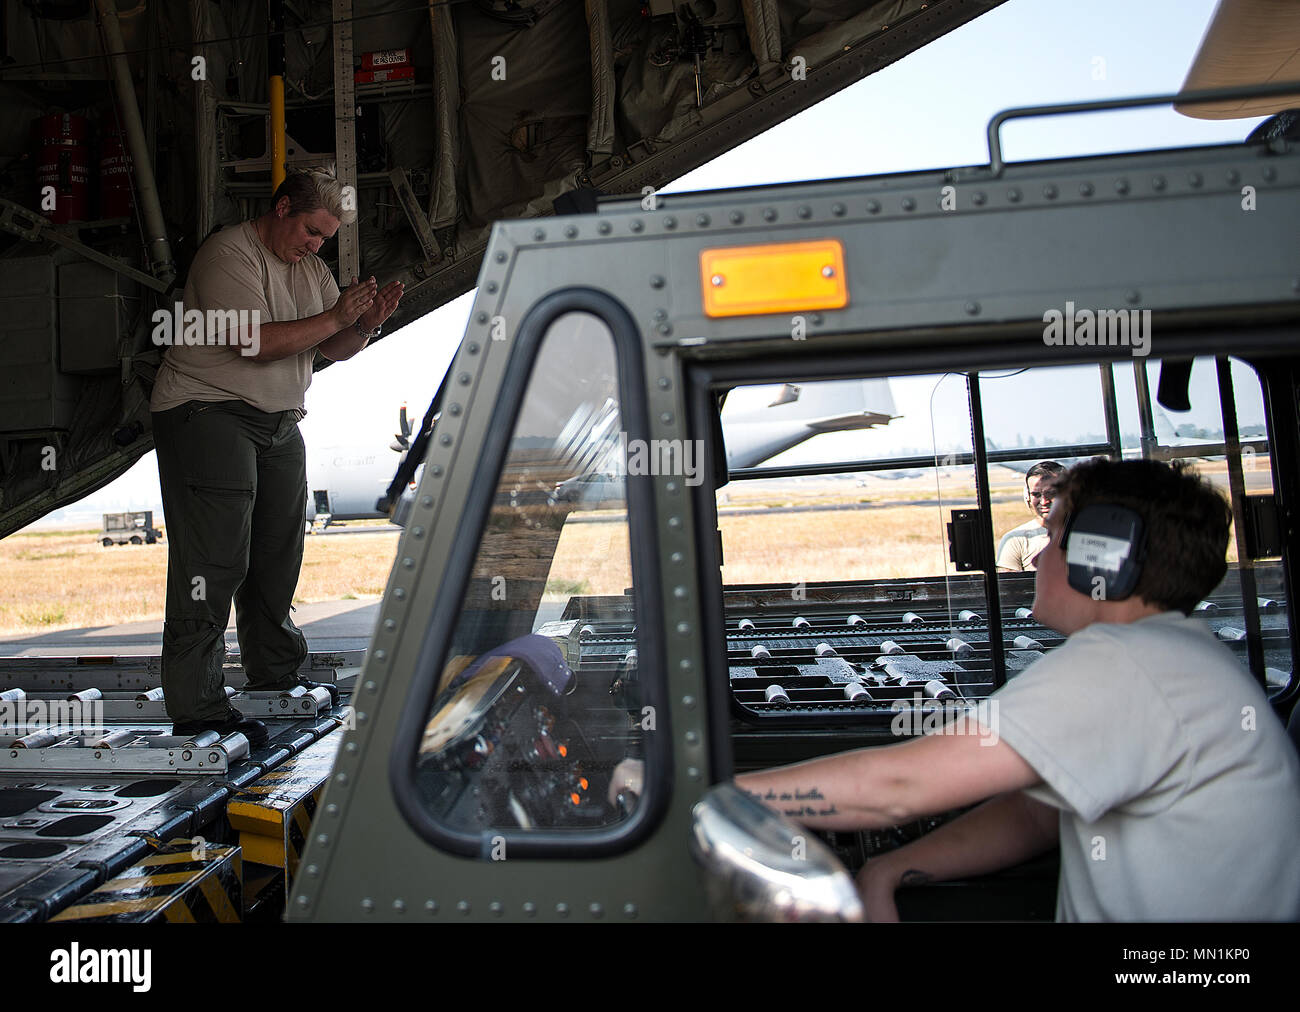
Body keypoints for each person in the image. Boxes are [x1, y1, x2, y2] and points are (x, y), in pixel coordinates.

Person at [737, 457, 1300, 921]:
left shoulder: (1128, 663)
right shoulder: (1173, 653)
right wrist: (890, 868)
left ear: (1106, 556)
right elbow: (1037, 816)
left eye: (1054, 536)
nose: (1038, 554)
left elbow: (896, 785)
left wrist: (709, 796)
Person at [151, 166, 403, 745]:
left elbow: (330, 347)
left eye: (325, 239)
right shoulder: (227, 256)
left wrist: (364, 326)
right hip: (207, 411)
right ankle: (198, 708)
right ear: (283, 207)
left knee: (277, 553)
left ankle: (275, 674)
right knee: (214, 561)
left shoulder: (308, 269)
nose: (317, 247)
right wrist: (338, 316)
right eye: (312, 232)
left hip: (278, 421)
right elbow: (256, 343)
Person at [996, 460, 1065, 572]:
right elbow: (1009, 587)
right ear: (1027, 496)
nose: (1044, 502)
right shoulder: (1016, 540)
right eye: (1036, 495)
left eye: (1051, 494)